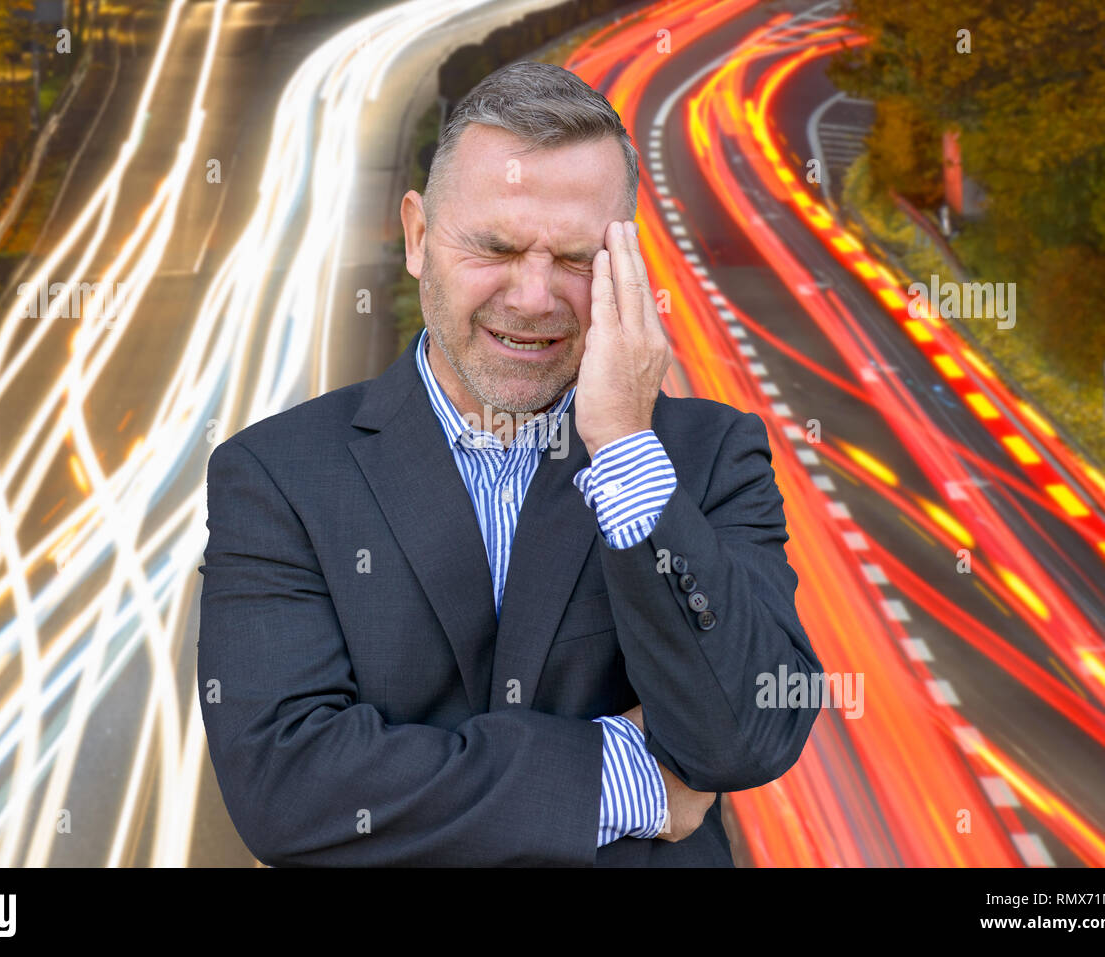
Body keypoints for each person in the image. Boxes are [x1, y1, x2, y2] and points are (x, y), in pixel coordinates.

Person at [197, 60, 824, 866]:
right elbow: (289, 788)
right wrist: (618, 775)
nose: (532, 297)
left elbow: (750, 732)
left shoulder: (709, 457)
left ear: (625, 265)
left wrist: (627, 452)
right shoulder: (276, 475)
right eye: (494, 247)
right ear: (419, 238)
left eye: (573, 259)